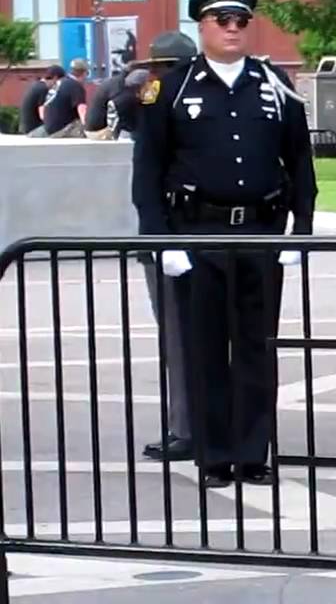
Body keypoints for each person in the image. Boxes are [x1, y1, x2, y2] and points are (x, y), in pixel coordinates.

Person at [131, 0, 318, 488]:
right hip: (198, 229)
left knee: (257, 347)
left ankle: (253, 451)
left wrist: (300, 228)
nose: (233, 29)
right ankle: (215, 455)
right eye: (222, 20)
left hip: (260, 228)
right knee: (206, 347)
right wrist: (159, 239)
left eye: (240, 20)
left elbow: (300, 158)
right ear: (203, 26)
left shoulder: (274, 84)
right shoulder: (171, 87)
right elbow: (148, 168)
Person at [114, 30, 200, 462]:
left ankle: (186, 428)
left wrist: (136, 74)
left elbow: (123, 103)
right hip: (204, 230)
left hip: (168, 230)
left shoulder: (154, 97)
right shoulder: (207, 97)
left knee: (180, 336)